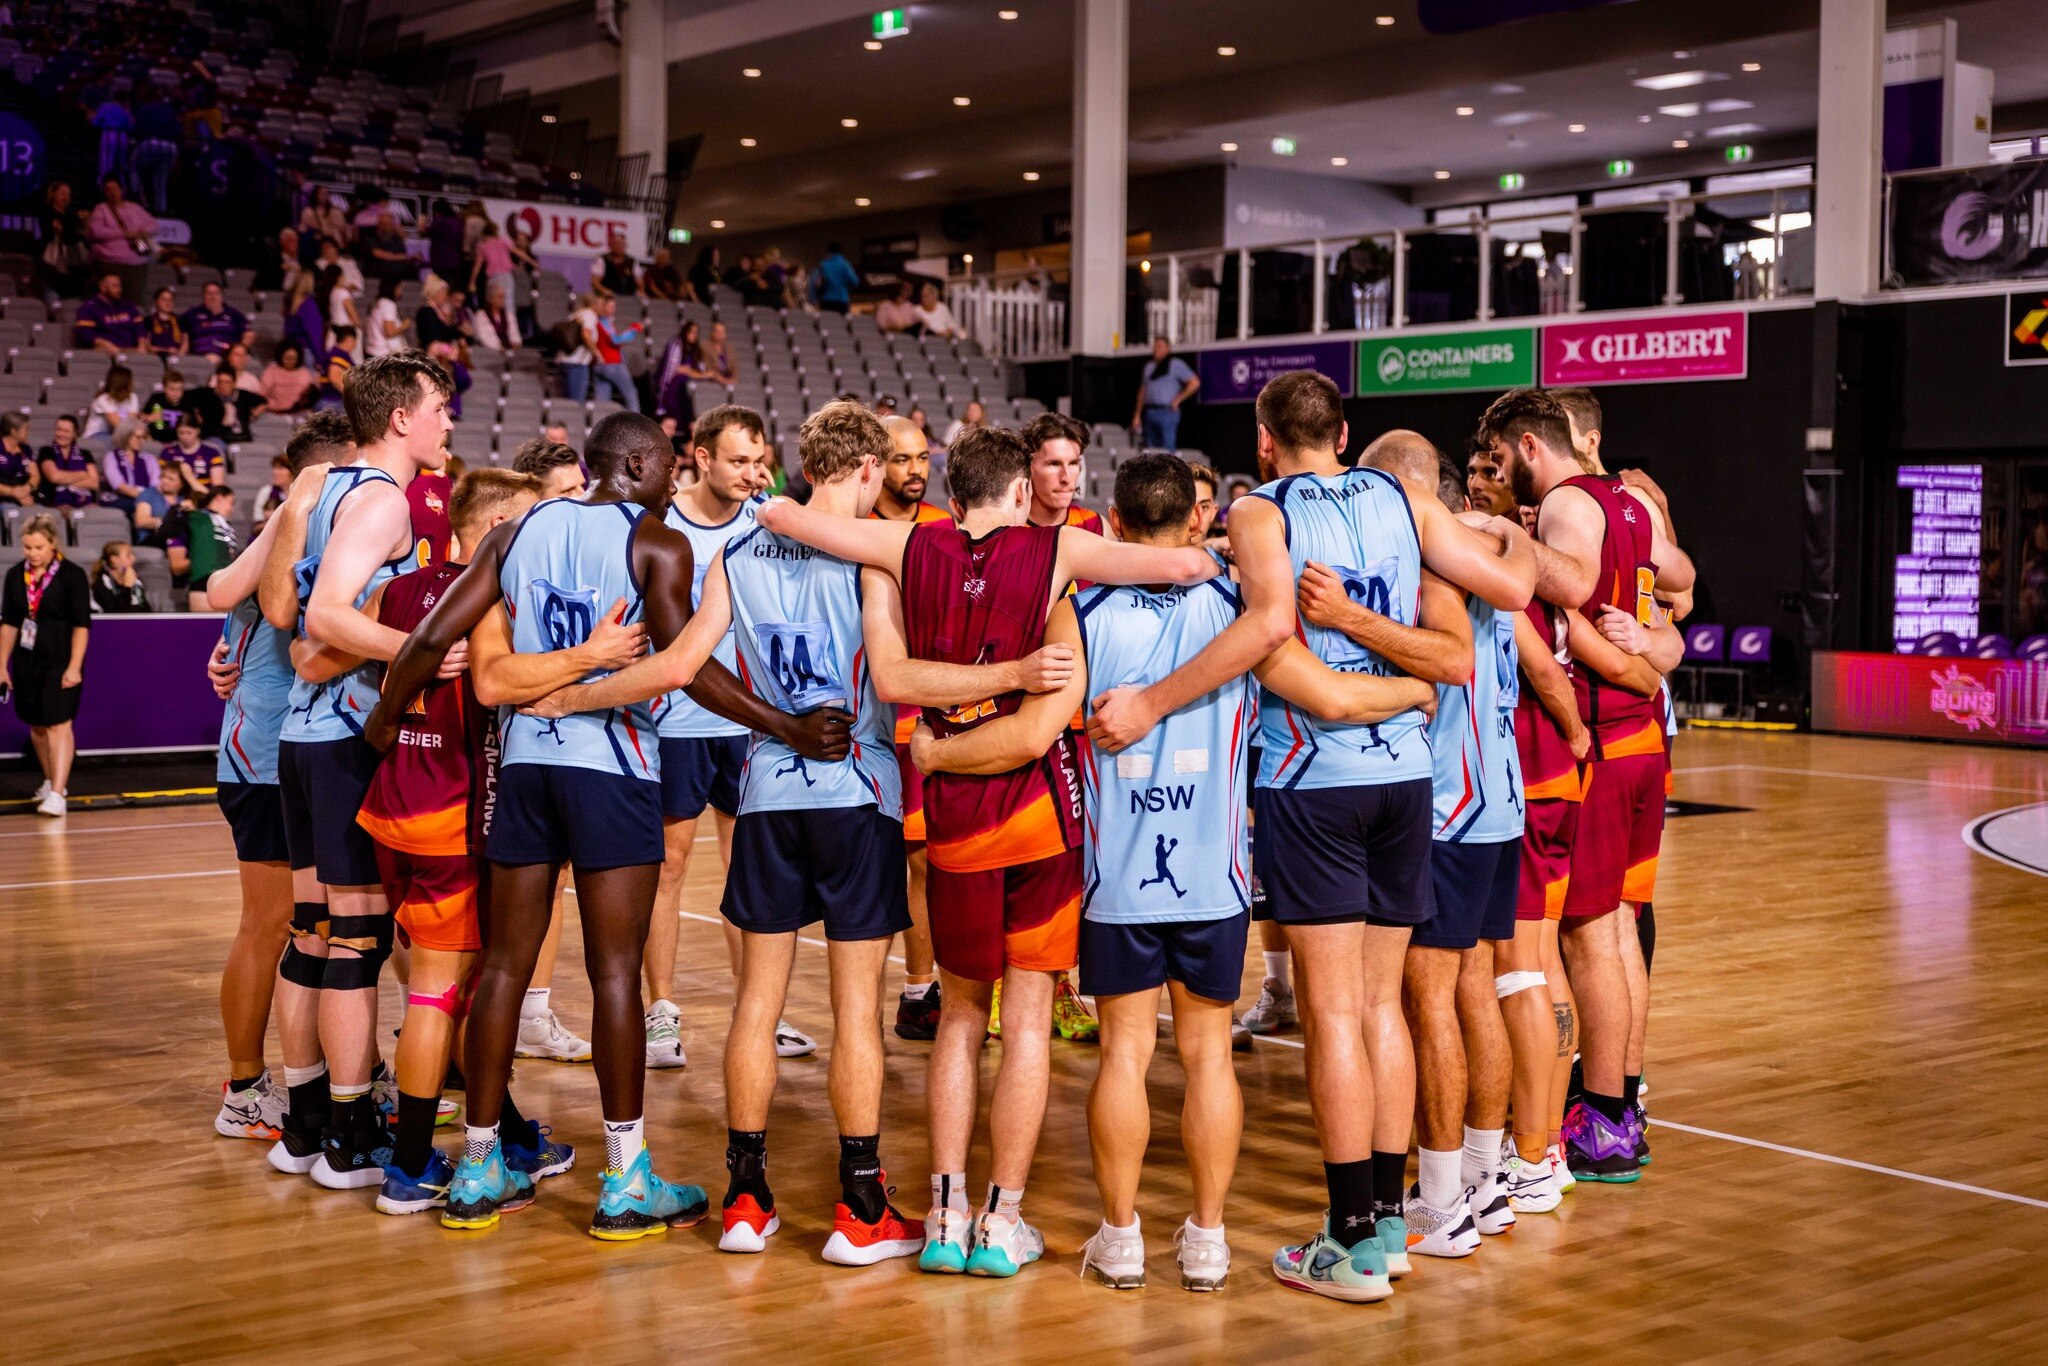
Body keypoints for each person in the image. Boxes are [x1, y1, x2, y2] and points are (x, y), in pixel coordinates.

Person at [1085, 373, 1537, 1302]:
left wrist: (1153, 704)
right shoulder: (1406, 498)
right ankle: (1389, 1226)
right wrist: (1412, 676)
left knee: (1335, 1016)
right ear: (1344, 431)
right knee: (1383, 1012)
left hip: (1315, 783)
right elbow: (1479, 629)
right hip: (1409, 780)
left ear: (1263, 440)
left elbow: (1275, 640)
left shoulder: (1259, 514)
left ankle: (1352, 1241)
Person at [362, 411, 852, 1238]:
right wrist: (788, 726)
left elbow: (435, 632)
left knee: (507, 968)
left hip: (524, 767)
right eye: (665, 465)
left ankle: (479, 1166)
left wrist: (382, 722)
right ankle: (625, 1178)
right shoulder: (655, 542)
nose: (672, 478)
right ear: (636, 464)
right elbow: (687, 671)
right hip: (613, 770)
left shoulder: (516, 532)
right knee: (615, 974)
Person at [753, 424, 1222, 1280]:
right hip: (1037, 810)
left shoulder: (906, 545)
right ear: (1018, 491)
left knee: (961, 1018)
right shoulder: (1058, 548)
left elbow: (793, 521)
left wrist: (772, 501)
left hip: (954, 813)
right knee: (1031, 1019)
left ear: (953, 488)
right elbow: (1188, 567)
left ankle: (943, 1212)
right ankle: (1003, 1223)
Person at [520, 402, 924, 1265]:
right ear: (863, 472)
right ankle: (860, 1209)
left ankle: (745, 1198)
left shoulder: (736, 553)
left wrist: (560, 694)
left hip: (768, 791)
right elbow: (900, 672)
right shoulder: (879, 562)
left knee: (756, 1003)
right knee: (856, 1008)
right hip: (857, 795)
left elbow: (676, 669)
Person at [333, 467, 582, 1215]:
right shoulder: (494, 600)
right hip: (450, 817)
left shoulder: (400, 590)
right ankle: (411, 1166)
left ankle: (504, 1131)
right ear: (502, 527)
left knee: (471, 991)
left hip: (390, 810)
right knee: (439, 996)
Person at [1473, 388, 1689, 1186]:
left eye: (1500, 461)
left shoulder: (1566, 501)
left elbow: (1574, 580)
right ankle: (1619, 1106)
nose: (1499, 476)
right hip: (1643, 737)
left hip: (1596, 737)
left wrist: (1503, 537)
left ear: (1531, 447)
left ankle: (1599, 1115)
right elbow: (1685, 577)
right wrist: (1660, 641)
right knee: (1621, 930)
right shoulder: (1630, 499)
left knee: (1587, 937)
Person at [251, 352, 455, 1188]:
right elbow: (330, 613)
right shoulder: (378, 498)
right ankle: (347, 1135)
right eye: (439, 407)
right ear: (401, 418)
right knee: (359, 941)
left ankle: (303, 1125)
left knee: (316, 932)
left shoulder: (326, 488)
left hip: (302, 742)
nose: (448, 421)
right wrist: (420, 648)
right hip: (342, 738)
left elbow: (293, 620)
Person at [1311, 435, 1513, 1259]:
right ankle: (1486, 1179)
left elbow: (1447, 669)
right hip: (1496, 802)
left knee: (1416, 1003)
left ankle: (1436, 1202)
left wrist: (1353, 622)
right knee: (1482, 990)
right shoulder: (1486, 553)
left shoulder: (1432, 561)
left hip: (1450, 805)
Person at [638, 406, 807, 1071]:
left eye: (760, 461)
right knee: (670, 866)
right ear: (702, 457)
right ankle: (661, 1012)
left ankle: (757, 1014)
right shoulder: (661, 525)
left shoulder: (769, 523)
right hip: (676, 720)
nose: (753, 473)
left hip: (751, 722)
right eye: (739, 461)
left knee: (749, 870)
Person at [198, 422, 349, 1141]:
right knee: (269, 925)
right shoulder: (291, 520)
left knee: (317, 924)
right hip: (263, 758)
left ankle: (333, 1073)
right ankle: (243, 1089)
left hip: (304, 753)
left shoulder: (337, 528)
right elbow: (219, 589)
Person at [868, 416, 952, 1040]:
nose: (915, 470)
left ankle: (919, 989)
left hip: (926, 725)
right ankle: (856, 1009)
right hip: (865, 726)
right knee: (871, 868)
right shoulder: (851, 529)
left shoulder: (945, 529)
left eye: (922, 458)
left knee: (924, 863)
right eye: (901, 459)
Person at [2, 515, 91, 816]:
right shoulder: (15, 575)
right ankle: (52, 780)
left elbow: (81, 625)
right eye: (27, 547)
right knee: (37, 725)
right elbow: (10, 623)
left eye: (38, 547)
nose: (32, 553)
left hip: (61, 660)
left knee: (58, 723)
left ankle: (57, 794)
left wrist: (74, 666)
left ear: (53, 544)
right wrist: (2, 665)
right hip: (27, 661)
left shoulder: (72, 575)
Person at [86, 177, 156, 307]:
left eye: (115, 189)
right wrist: (123, 233)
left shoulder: (134, 207)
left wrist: (140, 232)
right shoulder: (101, 208)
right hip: (110, 261)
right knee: (108, 302)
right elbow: (96, 231)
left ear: (121, 190)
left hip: (136, 263)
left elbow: (153, 224)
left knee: (133, 303)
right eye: (108, 190)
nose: (112, 192)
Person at [1130, 336, 1198, 452]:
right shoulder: (1149, 367)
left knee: (1167, 449)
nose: (1156, 349)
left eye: (1160, 346)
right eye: (1155, 346)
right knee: (1150, 450)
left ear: (1167, 348)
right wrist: (1137, 414)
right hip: (1151, 411)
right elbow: (1143, 391)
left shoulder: (1175, 364)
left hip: (1167, 412)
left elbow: (1194, 382)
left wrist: (1178, 399)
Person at [185, 485, 240, 609]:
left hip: (227, 582)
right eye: (231, 503)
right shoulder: (197, 517)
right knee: (204, 626)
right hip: (203, 582)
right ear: (219, 498)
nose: (232, 509)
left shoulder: (227, 526)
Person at [74, 270, 145, 355]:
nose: (119, 290)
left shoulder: (129, 305)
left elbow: (140, 329)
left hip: (130, 350)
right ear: (102, 287)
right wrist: (105, 344)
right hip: (105, 350)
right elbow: (85, 333)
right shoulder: (89, 307)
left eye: (120, 286)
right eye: (115, 286)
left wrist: (142, 345)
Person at [38, 415, 100, 510]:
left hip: (84, 502)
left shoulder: (85, 454)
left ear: (75, 434)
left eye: (66, 431)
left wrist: (69, 486)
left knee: (96, 512)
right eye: (59, 429)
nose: (61, 434)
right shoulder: (46, 451)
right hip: (53, 502)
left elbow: (94, 483)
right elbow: (54, 477)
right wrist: (83, 474)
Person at [190, 366, 261, 445]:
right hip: (216, 437)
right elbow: (185, 397)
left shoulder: (242, 395)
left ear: (234, 383)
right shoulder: (207, 394)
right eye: (220, 382)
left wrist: (256, 413)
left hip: (241, 437)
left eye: (227, 382)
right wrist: (195, 413)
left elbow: (262, 401)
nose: (223, 385)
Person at [98, 421, 156, 516]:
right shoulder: (111, 457)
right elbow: (119, 486)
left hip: (145, 500)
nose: (141, 441)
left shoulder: (150, 459)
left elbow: (155, 484)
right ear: (125, 436)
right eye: (137, 437)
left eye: (143, 438)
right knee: (143, 506)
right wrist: (146, 499)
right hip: (117, 500)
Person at [183, 281, 253, 359]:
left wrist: (240, 350)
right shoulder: (192, 314)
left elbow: (249, 334)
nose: (212, 297)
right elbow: (180, 330)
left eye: (216, 293)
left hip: (230, 354)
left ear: (221, 296)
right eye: (208, 293)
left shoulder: (234, 314)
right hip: (203, 354)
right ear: (203, 296)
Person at [162, 414, 226, 488]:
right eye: (181, 433)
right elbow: (162, 482)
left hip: (204, 496)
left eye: (189, 432)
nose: (185, 437)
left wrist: (189, 476)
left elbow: (218, 487)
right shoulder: (167, 453)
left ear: (197, 430)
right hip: (175, 496)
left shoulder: (211, 453)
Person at [90, 539, 150, 613]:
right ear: (115, 559)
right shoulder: (101, 584)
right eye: (128, 555)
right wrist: (127, 587)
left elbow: (146, 610)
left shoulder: (136, 582)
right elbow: (116, 612)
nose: (134, 559)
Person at [84, 364, 141, 440]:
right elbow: (119, 425)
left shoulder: (133, 397)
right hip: (96, 435)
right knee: (123, 443)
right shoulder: (103, 399)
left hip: (117, 435)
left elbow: (132, 422)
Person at [259, 343, 317, 414]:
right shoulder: (271, 371)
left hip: (299, 412)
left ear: (298, 358)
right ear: (281, 356)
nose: (290, 361)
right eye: (287, 357)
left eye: (293, 358)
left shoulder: (305, 373)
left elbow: (310, 396)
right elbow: (262, 393)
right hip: (274, 412)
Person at [1467, 437, 1516, 518]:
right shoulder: (1452, 528)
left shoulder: (1542, 527)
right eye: (1472, 472)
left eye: (1490, 473)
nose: (1474, 485)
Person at [0, 414, 40, 507]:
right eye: (26, 429)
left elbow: (36, 476)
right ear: (14, 431)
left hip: (26, 495)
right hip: (3, 498)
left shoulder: (26, 449)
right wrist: (13, 492)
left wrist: (27, 489)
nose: (28, 432)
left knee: (43, 512)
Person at [473, 281, 520, 353]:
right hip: (491, 352)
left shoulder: (509, 315)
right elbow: (485, 337)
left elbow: (515, 335)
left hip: (510, 351)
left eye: (503, 297)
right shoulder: (481, 315)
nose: (502, 300)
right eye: (499, 297)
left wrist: (515, 345)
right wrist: (501, 349)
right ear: (490, 299)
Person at [813, 243, 859, 314]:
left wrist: (814, 299)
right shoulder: (845, 265)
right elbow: (854, 281)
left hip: (826, 300)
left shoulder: (823, 265)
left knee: (828, 323)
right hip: (842, 299)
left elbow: (814, 283)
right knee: (842, 324)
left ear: (828, 252)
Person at [591, 231, 640, 298]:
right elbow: (595, 281)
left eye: (621, 244)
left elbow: (639, 281)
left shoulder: (632, 261)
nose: (619, 247)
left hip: (628, 297)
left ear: (625, 246)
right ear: (611, 245)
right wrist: (604, 290)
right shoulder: (602, 260)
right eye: (616, 244)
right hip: (607, 298)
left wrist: (641, 291)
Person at [144, 287, 187, 358]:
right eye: (164, 299)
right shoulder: (148, 320)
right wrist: (166, 350)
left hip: (176, 358)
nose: (168, 302)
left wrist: (179, 355)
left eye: (171, 300)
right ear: (156, 301)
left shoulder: (180, 320)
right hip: (154, 358)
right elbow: (146, 345)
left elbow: (185, 341)